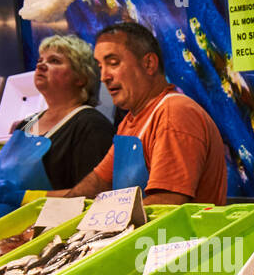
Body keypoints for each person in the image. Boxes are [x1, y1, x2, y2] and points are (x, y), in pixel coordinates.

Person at [51, 21, 227, 206]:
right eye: (100, 66)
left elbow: (166, 203)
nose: (104, 77)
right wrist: (59, 213)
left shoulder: (174, 113)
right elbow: (97, 183)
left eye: (113, 63)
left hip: (175, 235)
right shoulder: (129, 122)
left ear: (149, 64)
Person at [0, 35, 113, 220]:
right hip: (3, 233)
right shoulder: (26, 124)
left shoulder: (89, 124)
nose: (41, 66)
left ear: (81, 78)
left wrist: (27, 197)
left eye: (54, 61)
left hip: (54, 236)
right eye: (40, 60)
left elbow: (95, 196)